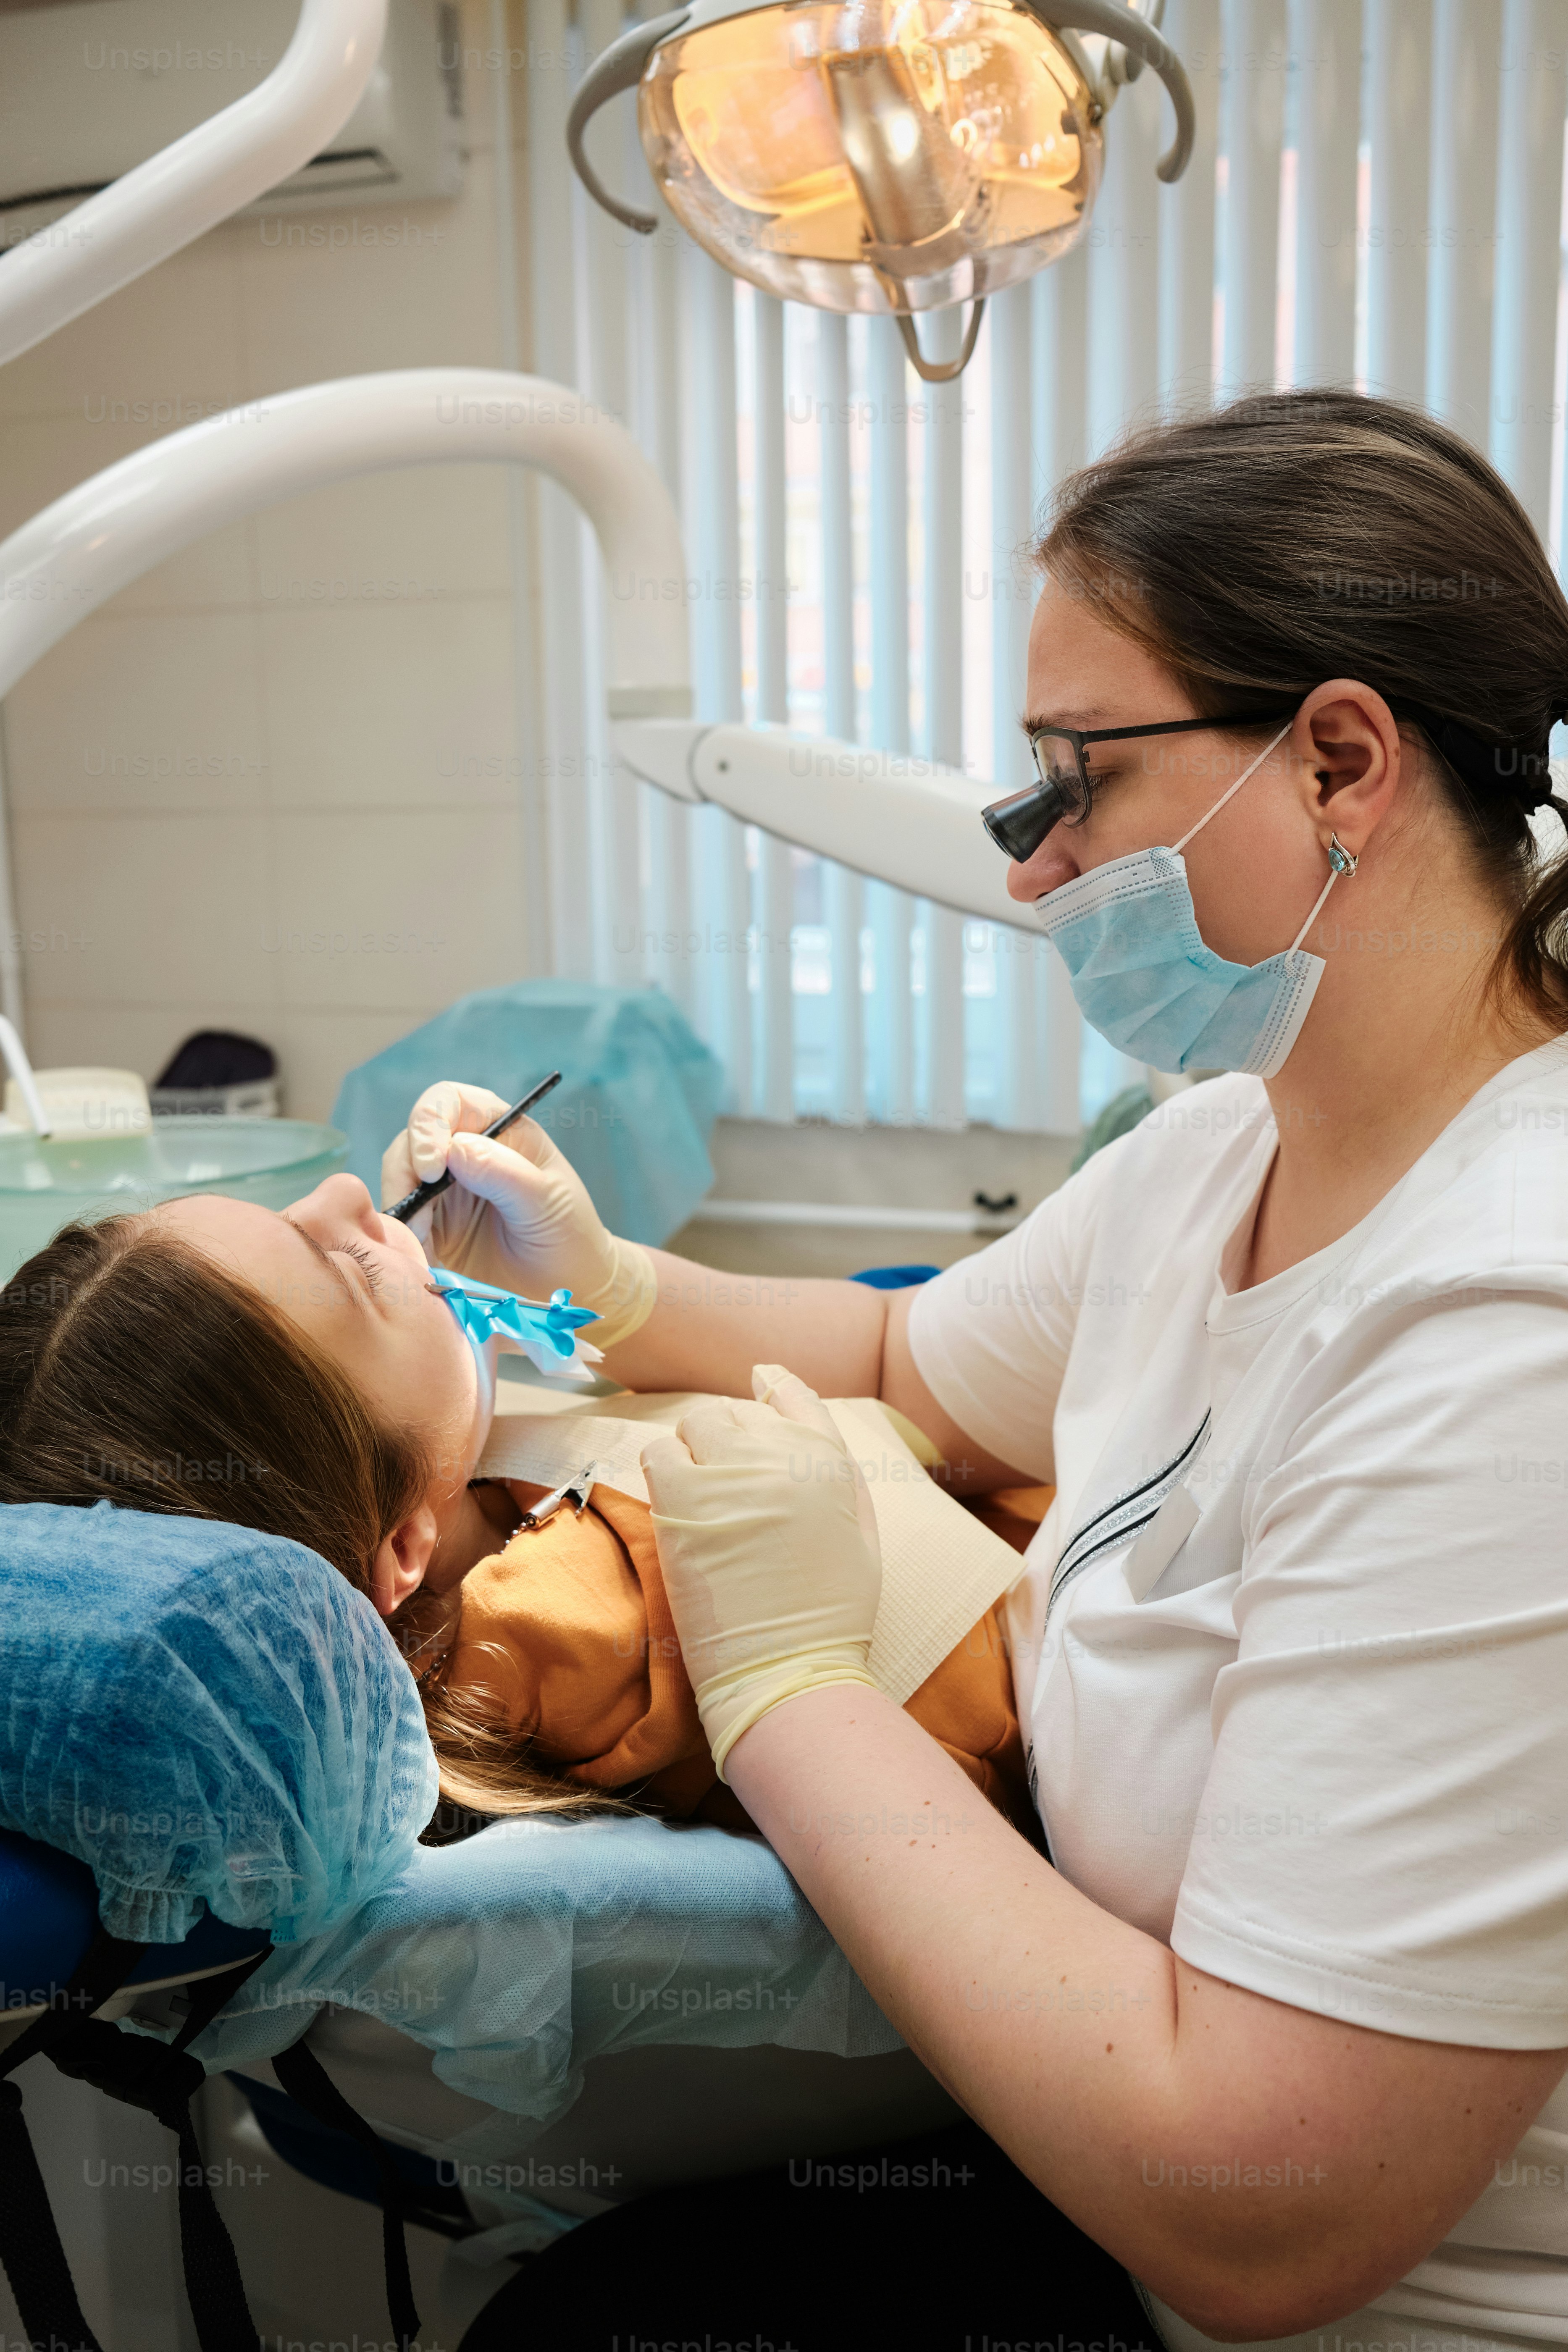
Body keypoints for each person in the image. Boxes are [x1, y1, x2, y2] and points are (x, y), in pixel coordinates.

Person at [399, 393, 1568, 2352]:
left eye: (1074, 785)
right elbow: (899, 1353)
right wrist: (600, 1273)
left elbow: (1264, 2211)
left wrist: (787, 1692)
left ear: (1341, 759)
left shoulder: (1506, 1338)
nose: (1032, 874)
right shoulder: (1217, 1149)